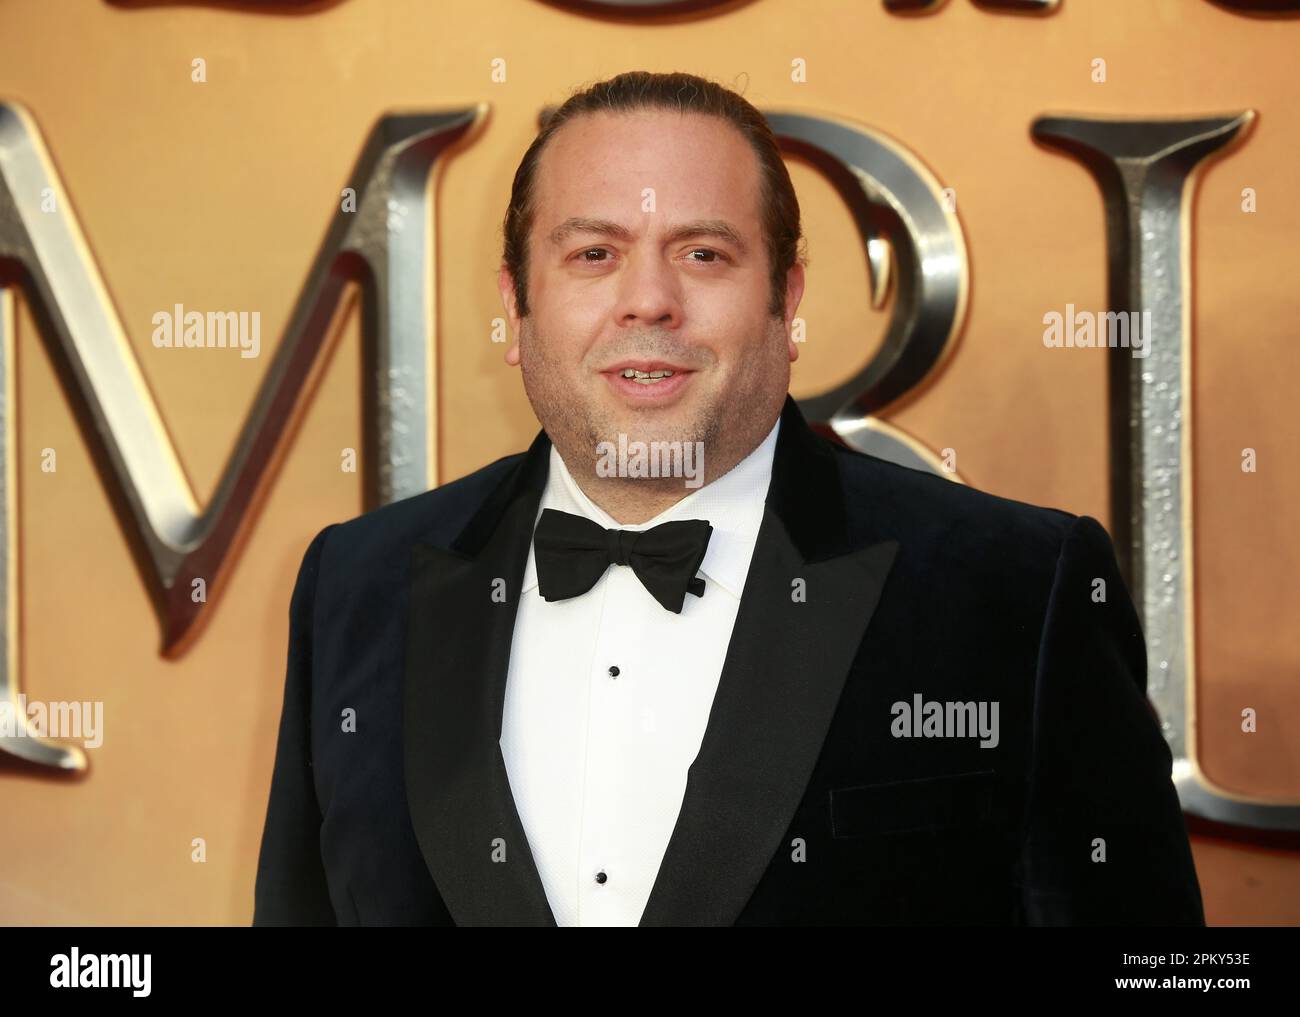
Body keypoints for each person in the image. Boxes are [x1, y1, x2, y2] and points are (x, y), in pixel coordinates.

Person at [253, 70, 1204, 926]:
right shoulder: (356, 585)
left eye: (704, 253)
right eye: (594, 254)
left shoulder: (1017, 592)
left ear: (788, 303)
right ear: (516, 307)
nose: (649, 301)